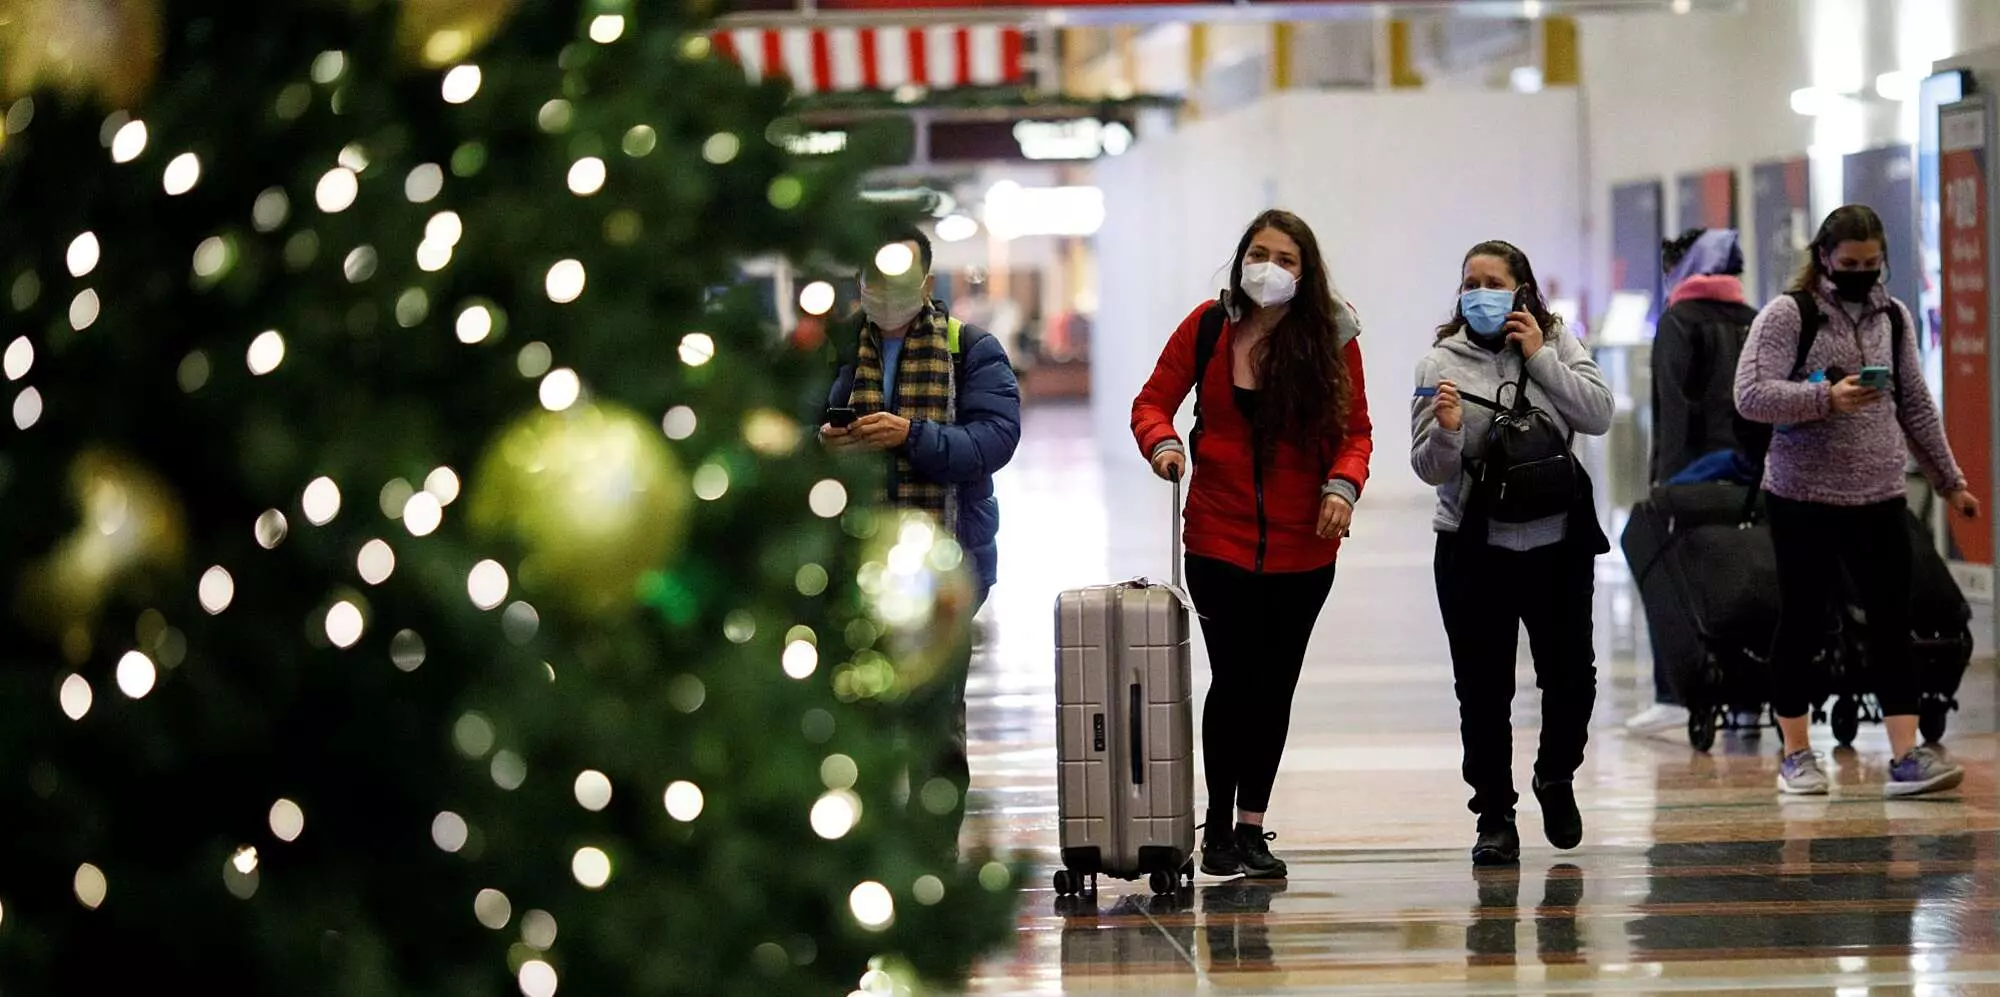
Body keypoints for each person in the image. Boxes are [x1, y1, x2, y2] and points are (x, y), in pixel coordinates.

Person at [1130, 209, 1373, 880]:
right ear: (1241, 259)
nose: (1271, 266)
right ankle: (1215, 829)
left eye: (1286, 258)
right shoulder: (1209, 327)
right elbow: (1151, 402)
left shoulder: (1332, 339)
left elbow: (1357, 431)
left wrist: (1341, 487)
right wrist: (1165, 445)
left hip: (1305, 548)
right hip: (1217, 539)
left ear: (1307, 270)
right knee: (1234, 679)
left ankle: (1251, 827)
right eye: (1259, 253)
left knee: (1274, 684)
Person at [1733, 204, 1978, 799]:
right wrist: (1824, 400)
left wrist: (1950, 481)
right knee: (1805, 620)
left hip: (1879, 495)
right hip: (1801, 495)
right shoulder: (1788, 316)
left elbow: (1915, 404)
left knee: (1894, 623)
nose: (1861, 273)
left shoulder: (1892, 318)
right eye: (1849, 264)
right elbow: (1750, 395)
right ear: (1823, 258)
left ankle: (1906, 754)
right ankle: (1795, 752)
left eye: (1871, 264)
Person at [1412, 240, 1614, 867]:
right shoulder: (1438, 361)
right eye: (1470, 281)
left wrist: (1541, 357)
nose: (1480, 292)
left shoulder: (1561, 344)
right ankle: (1494, 814)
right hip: (1475, 548)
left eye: (1493, 281)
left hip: (1558, 545)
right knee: (1482, 688)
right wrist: (1445, 431)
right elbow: (1426, 467)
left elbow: (1598, 414)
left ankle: (1556, 777)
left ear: (1522, 290)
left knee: (1571, 678)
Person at [821, 227, 1022, 845]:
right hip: (852, 563)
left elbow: (994, 440)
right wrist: (820, 445)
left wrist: (910, 435)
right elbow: (788, 425)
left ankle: (932, 856)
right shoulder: (832, 352)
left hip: (946, 564)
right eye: (875, 280)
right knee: (857, 720)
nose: (886, 293)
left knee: (937, 722)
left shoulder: (970, 348)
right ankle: (870, 850)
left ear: (927, 285)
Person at [1627, 228, 1762, 738]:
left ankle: (1674, 694)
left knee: (1673, 576)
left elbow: (1674, 412)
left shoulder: (1679, 321)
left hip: (1692, 477)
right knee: (1743, 578)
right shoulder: (1754, 320)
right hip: (1750, 476)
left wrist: (1664, 484)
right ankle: (1748, 697)